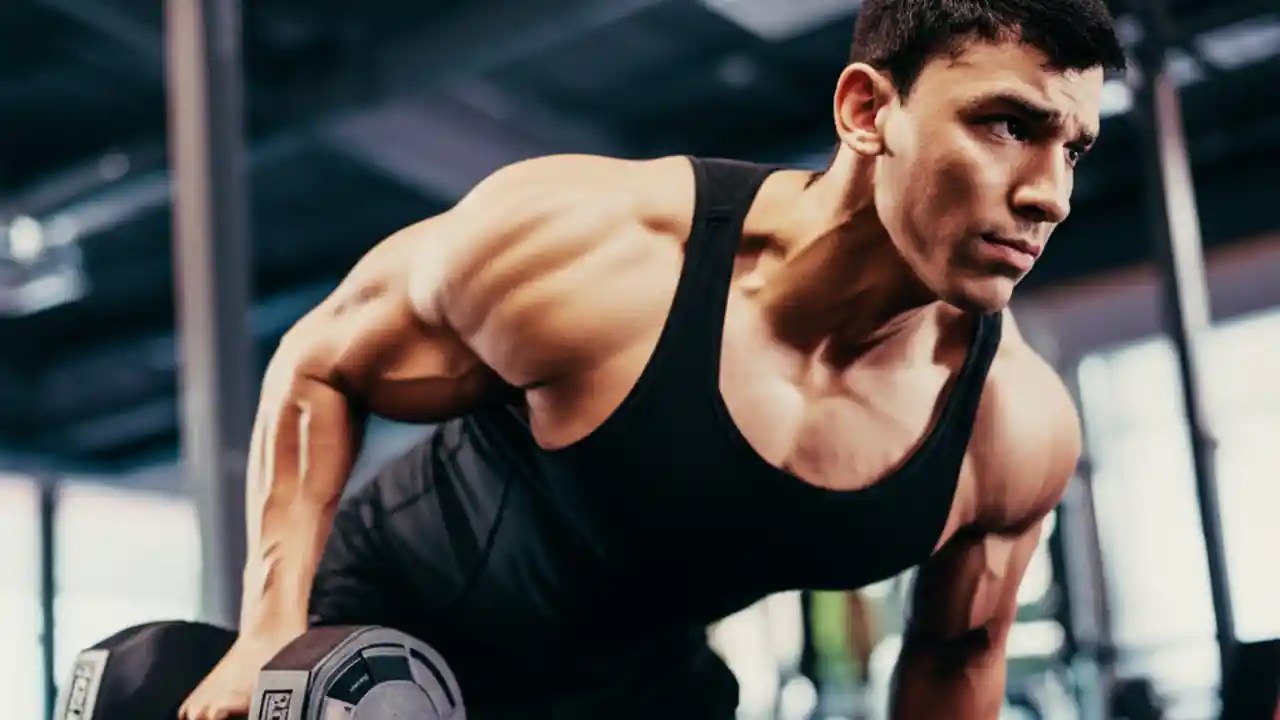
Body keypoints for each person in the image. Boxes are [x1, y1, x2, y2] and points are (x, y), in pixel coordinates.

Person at [178, 0, 1126, 717]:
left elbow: (956, 660)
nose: (1051, 195)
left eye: (1074, 150)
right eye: (1007, 124)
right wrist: (271, 626)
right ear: (865, 111)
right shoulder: (602, 252)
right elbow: (321, 361)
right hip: (396, 628)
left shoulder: (1012, 427)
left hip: (637, 686)